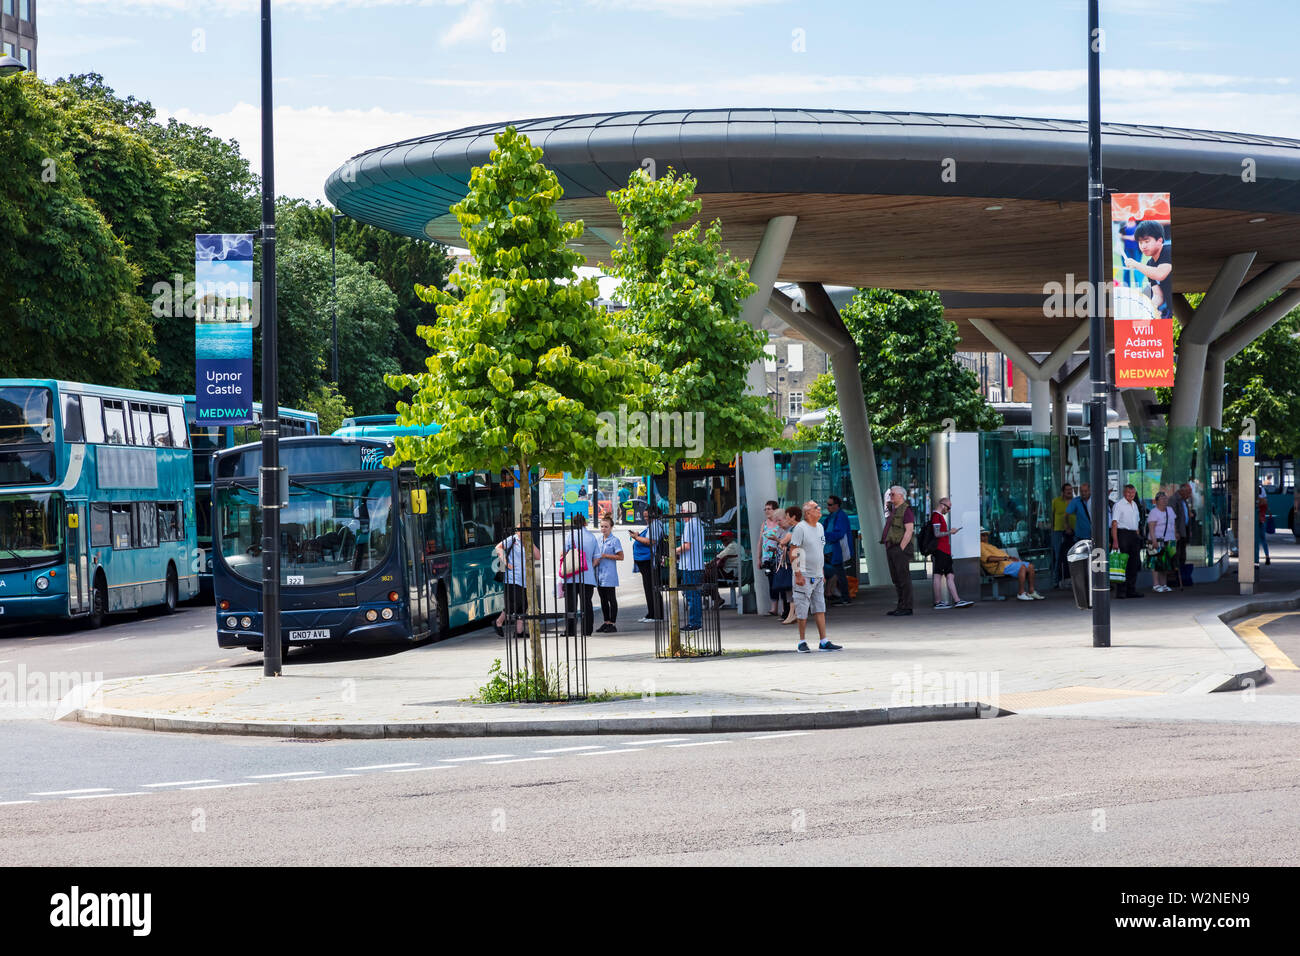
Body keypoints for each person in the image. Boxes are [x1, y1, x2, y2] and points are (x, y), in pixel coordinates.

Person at [790, 500, 841, 653]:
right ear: (808, 513)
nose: (820, 509)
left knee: (820, 607)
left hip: (818, 575)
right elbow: (794, 551)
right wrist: (798, 574)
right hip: (804, 574)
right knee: (802, 608)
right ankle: (802, 641)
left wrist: (822, 573)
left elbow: (820, 551)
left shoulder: (819, 527)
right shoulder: (800, 528)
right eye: (816, 508)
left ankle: (823, 641)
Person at [493, 529, 541, 637]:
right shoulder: (513, 539)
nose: (521, 533)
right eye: (519, 531)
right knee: (513, 604)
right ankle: (498, 622)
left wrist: (531, 543)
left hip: (525, 579)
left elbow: (538, 556)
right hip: (512, 578)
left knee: (523, 605)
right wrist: (505, 562)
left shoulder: (528, 541)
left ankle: (519, 631)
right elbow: (498, 547)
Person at [1122, 220, 1173, 318]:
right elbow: (1159, 296)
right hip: (1168, 312)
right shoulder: (1149, 264)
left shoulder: (1168, 251)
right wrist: (1146, 309)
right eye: (1140, 242)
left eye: (1146, 241)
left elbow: (1160, 274)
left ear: (1160, 240)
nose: (1143, 246)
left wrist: (1136, 264)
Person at [561, 513, 600, 637]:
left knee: (570, 605)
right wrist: (587, 567)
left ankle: (570, 630)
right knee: (587, 603)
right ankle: (587, 630)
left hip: (571, 576)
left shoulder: (569, 536)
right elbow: (597, 558)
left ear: (573, 523)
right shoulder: (592, 537)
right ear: (585, 523)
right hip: (587, 576)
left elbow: (563, 554)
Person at [929, 497, 972, 609]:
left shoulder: (938, 516)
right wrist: (950, 532)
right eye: (948, 508)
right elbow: (937, 534)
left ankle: (957, 600)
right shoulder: (936, 516)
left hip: (944, 550)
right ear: (942, 505)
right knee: (938, 575)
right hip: (940, 550)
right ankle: (938, 602)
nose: (948, 511)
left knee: (950, 575)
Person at [979, 529, 1044, 601]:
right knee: (1022, 567)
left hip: (1007, 564)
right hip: (999, 567)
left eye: (986, 535)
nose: (985, 537)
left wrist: (1010, 558)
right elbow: (989, 558)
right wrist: (1005, 559)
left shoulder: (990, 546)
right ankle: (1021, 593)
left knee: (1030, 566)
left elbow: (1003, 556)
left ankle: (1031, 591)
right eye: (983, 535)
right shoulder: (980, 546)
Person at [880, 485, 915, 616]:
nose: (890, 496)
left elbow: (909, 530)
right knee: (897, 578)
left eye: (893, 494)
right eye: (890, 494)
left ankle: (907, 606)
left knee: (903, 578)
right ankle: (901, 605)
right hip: (892, 547)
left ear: (901, 496)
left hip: (899, 548)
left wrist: (901, 548)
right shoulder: (895, 510)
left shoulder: (906, 510)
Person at [629, 506, 664, 623]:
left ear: (653, 515)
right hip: (644, 560)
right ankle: (651, 613)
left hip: (650, 560)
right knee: (648, 588)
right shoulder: (652, 525)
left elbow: (651, 541)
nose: (645, 518)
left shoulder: (655, 525)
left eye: (646, 516)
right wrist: (639, 535)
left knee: (652, 587)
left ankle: (656, 615)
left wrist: (636, 537)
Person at [1110, 483, 1144, 599]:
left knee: (1133, 564)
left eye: (1133, 493)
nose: (1131, 495)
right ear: (1124, 493)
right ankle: (1121, 591)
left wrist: (1138, 535)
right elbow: (1114, 523)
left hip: (1133, 535)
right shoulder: (1119, 505)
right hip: (1122, 534)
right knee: (1122, 564)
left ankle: (1131, 589)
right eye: (1129, 492)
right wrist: (1115, 541)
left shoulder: (1134, 504)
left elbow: (1137, 522)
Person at [675, 500, 705, 632]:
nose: (681, 513)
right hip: (696, 564)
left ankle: (695, 623)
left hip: (690, 565)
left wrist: (674, 550)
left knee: (691, 596)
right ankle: (695, 622)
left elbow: (687, 546)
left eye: (682, 510)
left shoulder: (689, 525)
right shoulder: (698, 524)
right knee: (694, 595)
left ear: (688, 511)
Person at [594, 515, 624, 631]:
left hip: (609, 574)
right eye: (602, 526)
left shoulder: (615, 540)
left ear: (611, 527)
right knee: (603, 599)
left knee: (611, 599)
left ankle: (613, 623)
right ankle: (606, 621)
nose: (603, 529)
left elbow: (621, 557)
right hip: (599, 573)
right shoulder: (598, 539)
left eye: (606, 527)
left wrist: (605, 555)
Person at [822, 495, 853, 606]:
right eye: (827, 504)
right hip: (830, 549)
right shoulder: (831, 516)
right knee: (836, 572)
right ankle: (835, 594)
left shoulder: (840, 516)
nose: (828, 506)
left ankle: (844, 597)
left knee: (839, 573)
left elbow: (838, 534)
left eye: (830, 504)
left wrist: (823, 535)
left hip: (836, 550)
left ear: (836, 505)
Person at [1147, 491, 1179, 593]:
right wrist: (1154, 540)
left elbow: (1173, 524)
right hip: (1157, 540)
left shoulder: (1170, 510)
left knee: (1165, 563)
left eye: (1165, 498)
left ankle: (1164, 584)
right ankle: (1156, 584)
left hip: (1169, 540)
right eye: (1162, 499)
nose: (1165, 500)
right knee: (1155, 563)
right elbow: (1151, 528)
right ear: (1156, 501)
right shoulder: (1154, 512)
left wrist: (1175, 534)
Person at [775, 505, 801, 625]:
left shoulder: (794, 529)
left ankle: (794, 614)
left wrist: (779, 541)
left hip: (795, 562)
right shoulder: (805, 527)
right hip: (802, 561)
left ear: (793, 517)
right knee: (797, 590)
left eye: (787, 517)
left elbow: (783, 542)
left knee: (793, 590)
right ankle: (793, 614)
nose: (786, 519)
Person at [760, 500, 784, 616]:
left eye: (769, 509)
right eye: (765, 509)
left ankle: (784, 607)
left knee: (781, 581)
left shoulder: (780, 523)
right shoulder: (764, 524)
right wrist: (758, 558)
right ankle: (774, 607)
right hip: (767, 557)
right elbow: (760, 541)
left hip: (778, 557)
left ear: (775, 510)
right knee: (771, 582)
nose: (767, 511)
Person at [1049, 482, 1075, 589]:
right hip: (1059, 531)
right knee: (1058, 554)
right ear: (1063, 492)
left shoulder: (1075, 501)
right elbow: (1052, 517)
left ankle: (1074, 578)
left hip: (1074, 531)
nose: (1069, 491)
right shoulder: (1055, 501)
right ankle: (1056, 580)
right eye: (1067, 490)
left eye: (1070, 489)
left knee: (1074, 555)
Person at [1256, 484, 1271, 568]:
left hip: (1256, 521)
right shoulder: (1265, 502)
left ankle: (1256, 559)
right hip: (1262, 520)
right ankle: (1267, 556)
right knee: (1263, 540)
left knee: (1256, 541)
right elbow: (1266, 510)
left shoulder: (1256, 501)